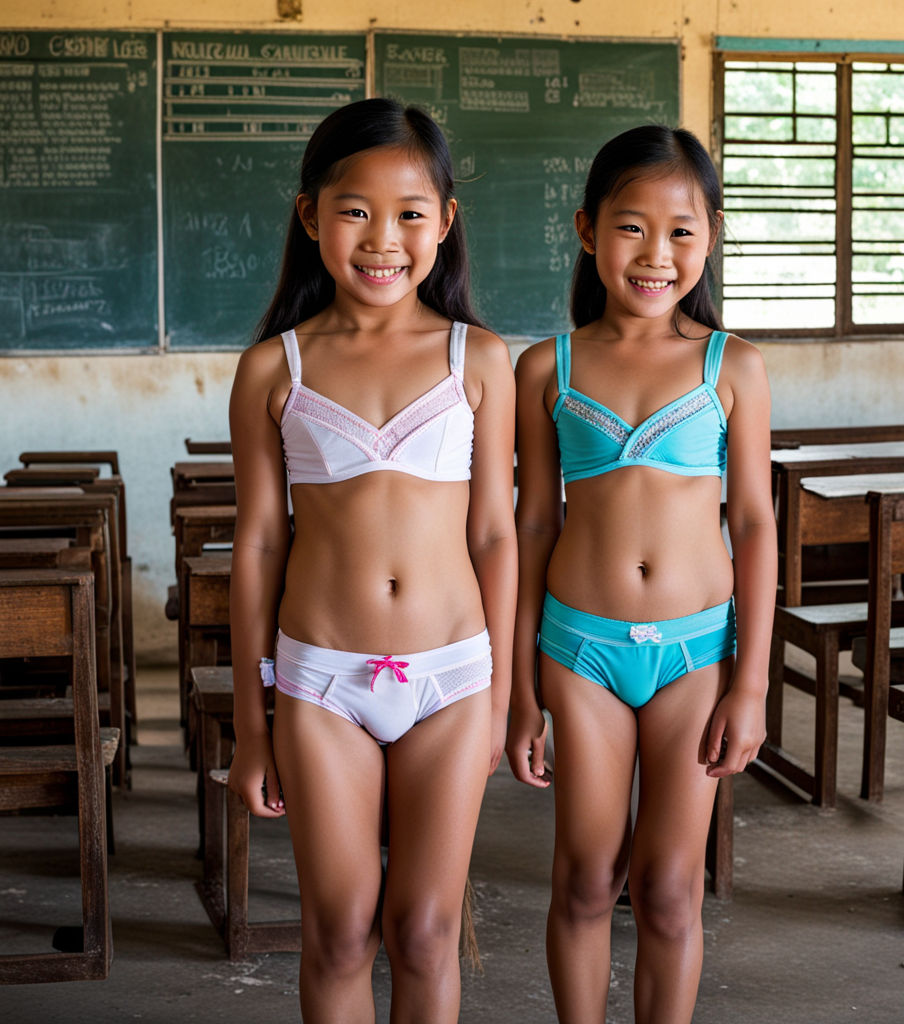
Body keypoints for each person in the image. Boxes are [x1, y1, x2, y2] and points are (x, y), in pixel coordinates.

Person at [227, 98, 516, 1024]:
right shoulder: (275, 368)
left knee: (426, 931)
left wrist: (503, 699)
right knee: (340, 933)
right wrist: (252, 725)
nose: (383, 239)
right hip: (320, 681)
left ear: (446, 221)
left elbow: (496, 535)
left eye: (410, 213)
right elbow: (259, 543)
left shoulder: (480, 359)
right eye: (354, 210)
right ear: (310, 216)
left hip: (453, 678)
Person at [508, 124, 776, 1023]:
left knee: (667, 889)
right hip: (580, 649)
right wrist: (520, 694)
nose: (657, 254)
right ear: (588, 230)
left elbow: (754, 524)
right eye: (632, 227)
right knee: (588, 878)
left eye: (681, 231)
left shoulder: (733, 365)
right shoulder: (546, 366)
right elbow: (533, 525)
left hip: (697, 654)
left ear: (710, 238)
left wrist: (751, 684)